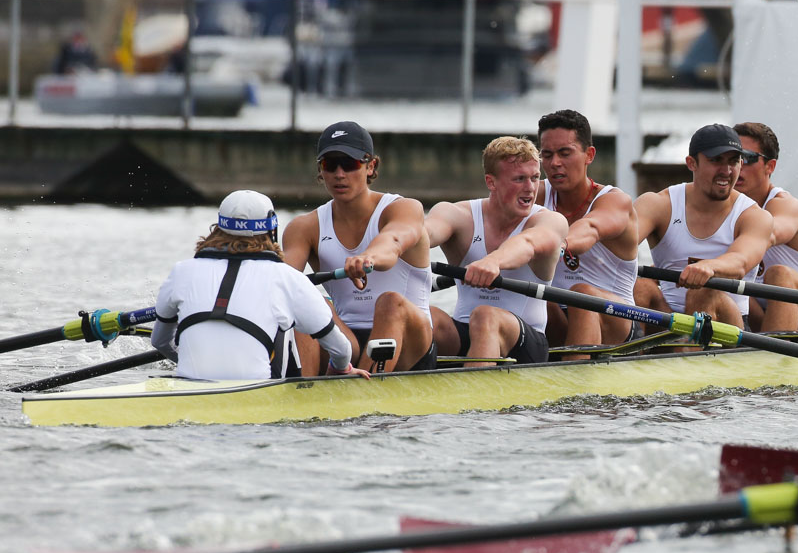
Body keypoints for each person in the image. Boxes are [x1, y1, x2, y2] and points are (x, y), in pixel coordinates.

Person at [152, 190, 365, 382]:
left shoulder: (182, 270)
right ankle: (299, 390)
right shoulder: (288, 277)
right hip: (260, 392)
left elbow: (160, 342)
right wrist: (340, 370)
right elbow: (341, 349)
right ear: (272, 231)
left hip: (190, 389)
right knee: (287, 322)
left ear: (218, 228)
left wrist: (193, 365)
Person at [283, 121, 435, 373]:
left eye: (350, 164)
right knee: (305, 300)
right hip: (347, 340)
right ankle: (303, 392)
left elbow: (393, 243)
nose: (339, 174)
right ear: (321, 170)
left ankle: (359, 392)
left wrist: (367, 258)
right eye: (330, 165)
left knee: (390, 302)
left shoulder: (404, 208)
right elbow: (282, 280)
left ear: (370, 166)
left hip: (411, 341)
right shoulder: (304, 227)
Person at [427, 137, 567, 367]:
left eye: (534, 178)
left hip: (525, 342)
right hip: (464, 331)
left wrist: (493, 261)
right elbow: (424, 234)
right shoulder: (457, 214)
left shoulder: (551, 221)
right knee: (420, 315)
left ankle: (473, 398)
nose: (531, 188)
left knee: (485, 315)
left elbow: (528, 243)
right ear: (491, 182)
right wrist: (386, 248)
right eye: (519, 179)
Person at [633, 123, 773, 328]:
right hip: (667, 320)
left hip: (727, 326)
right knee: (641, 285)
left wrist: (709, 266)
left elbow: (740, 261)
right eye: (716, 160)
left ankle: (686, 353)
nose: (726, 171)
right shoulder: (658, 204)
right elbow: (620, 244)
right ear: (692, 163)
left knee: (703, 291)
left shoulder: (754, 216)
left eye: (733, 161)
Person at [536, 110, 639, 350]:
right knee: (535, 293)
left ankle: (576, 382)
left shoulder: (614, 201)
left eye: (565, 153)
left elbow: (589, 228)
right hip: (556, 316)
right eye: (547, 155)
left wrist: (558, 245)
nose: (554, 164)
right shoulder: (534, 195)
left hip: (616, 319)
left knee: (581, 294)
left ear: (589, 155)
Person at [733, 121, 798, 332]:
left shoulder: (785, 205)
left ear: (770, 166)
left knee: (778, 274)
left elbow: (768, 234)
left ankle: (771, 359)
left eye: (747, 158)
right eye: (733, 158)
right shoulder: (723, 206)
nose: (738, 166)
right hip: (756, 307)